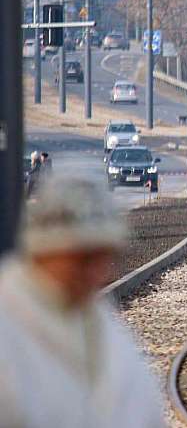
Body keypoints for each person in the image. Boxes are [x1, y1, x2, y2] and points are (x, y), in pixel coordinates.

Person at [0, 178, 165, 428]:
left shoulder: (104, 327)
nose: (100, 273)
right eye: (84, 259)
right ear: (44, 250)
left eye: (107, 257)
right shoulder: (8, 327)